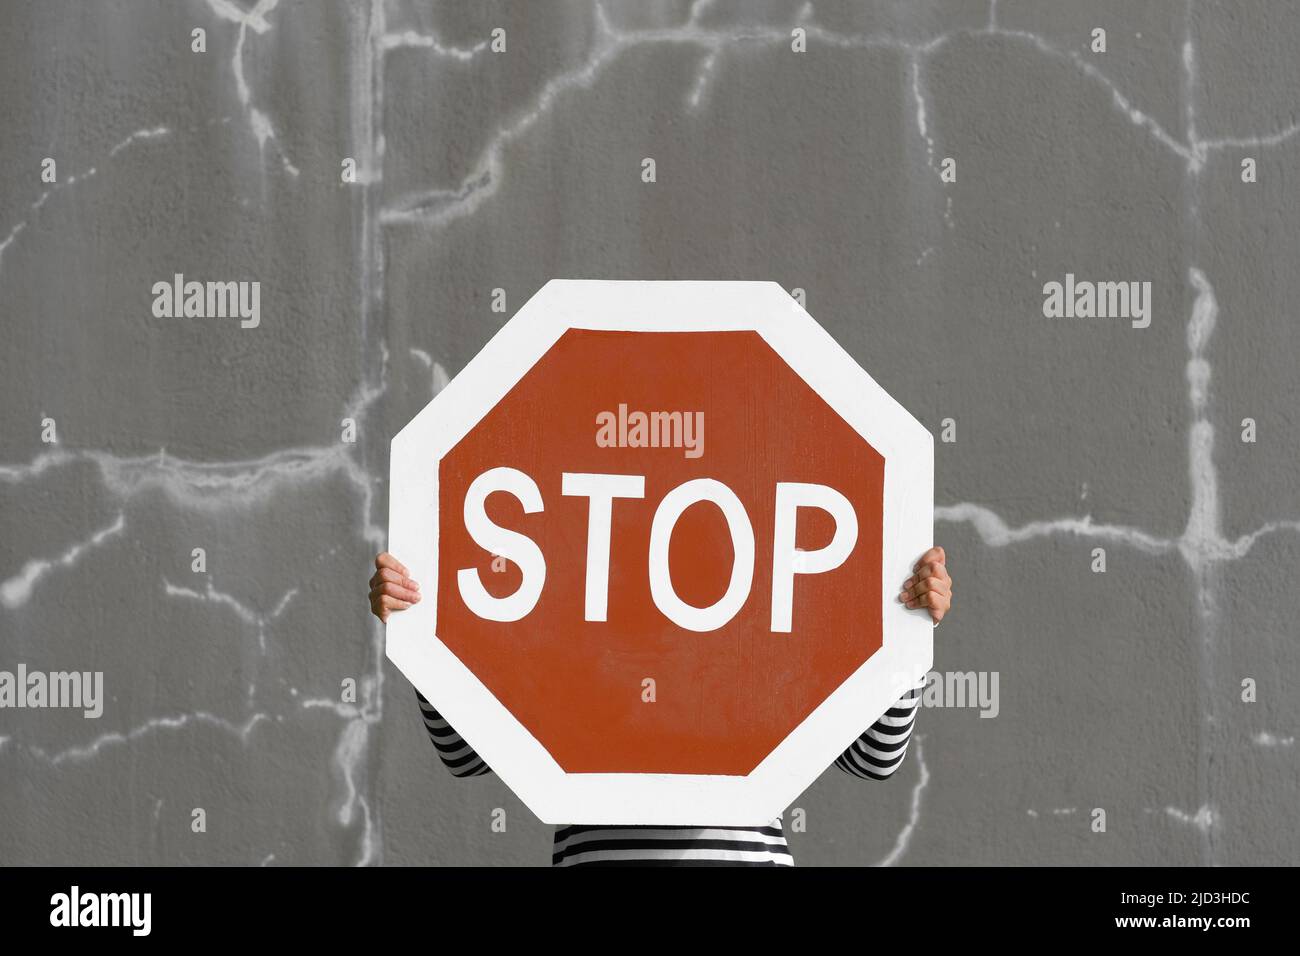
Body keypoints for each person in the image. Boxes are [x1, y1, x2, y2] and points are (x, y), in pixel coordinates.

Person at [369, 545, 952, 866]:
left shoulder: (768, 606)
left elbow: (874, 757)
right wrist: (423, 626)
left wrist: (908, 629)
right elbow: (464, 754)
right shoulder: (575, 599)